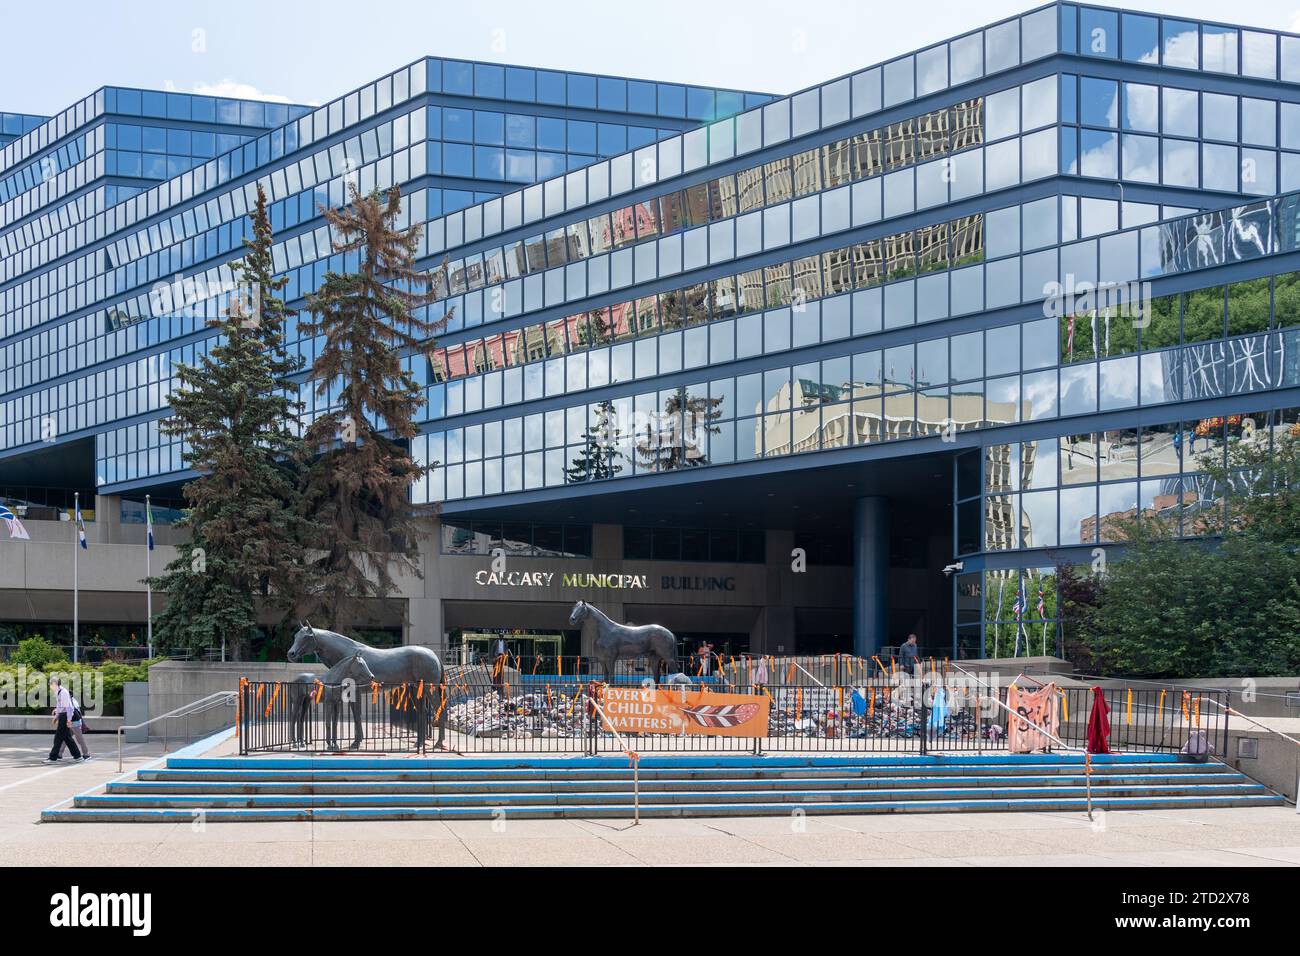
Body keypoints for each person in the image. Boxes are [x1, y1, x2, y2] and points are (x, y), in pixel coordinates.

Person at [44, 677, 82, 763]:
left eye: (50, 683)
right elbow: (59, 706)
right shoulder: (58, 692)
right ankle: (77, 756)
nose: (49, 685)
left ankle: (53, 757)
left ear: (54, 684)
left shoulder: (63, 692)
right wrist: (56, 716)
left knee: (58, 737)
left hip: (65, 716)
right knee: (67, 737)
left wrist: (68, 720)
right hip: (62, 716)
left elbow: (69, 707)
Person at [55, 689, 92, 761]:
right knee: (66, 738)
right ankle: (59, 754)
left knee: (79, 739)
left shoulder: (71, 702)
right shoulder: (71, 701)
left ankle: (86, 754)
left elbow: (73, 712)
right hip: (72, 722)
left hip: (74, 722)